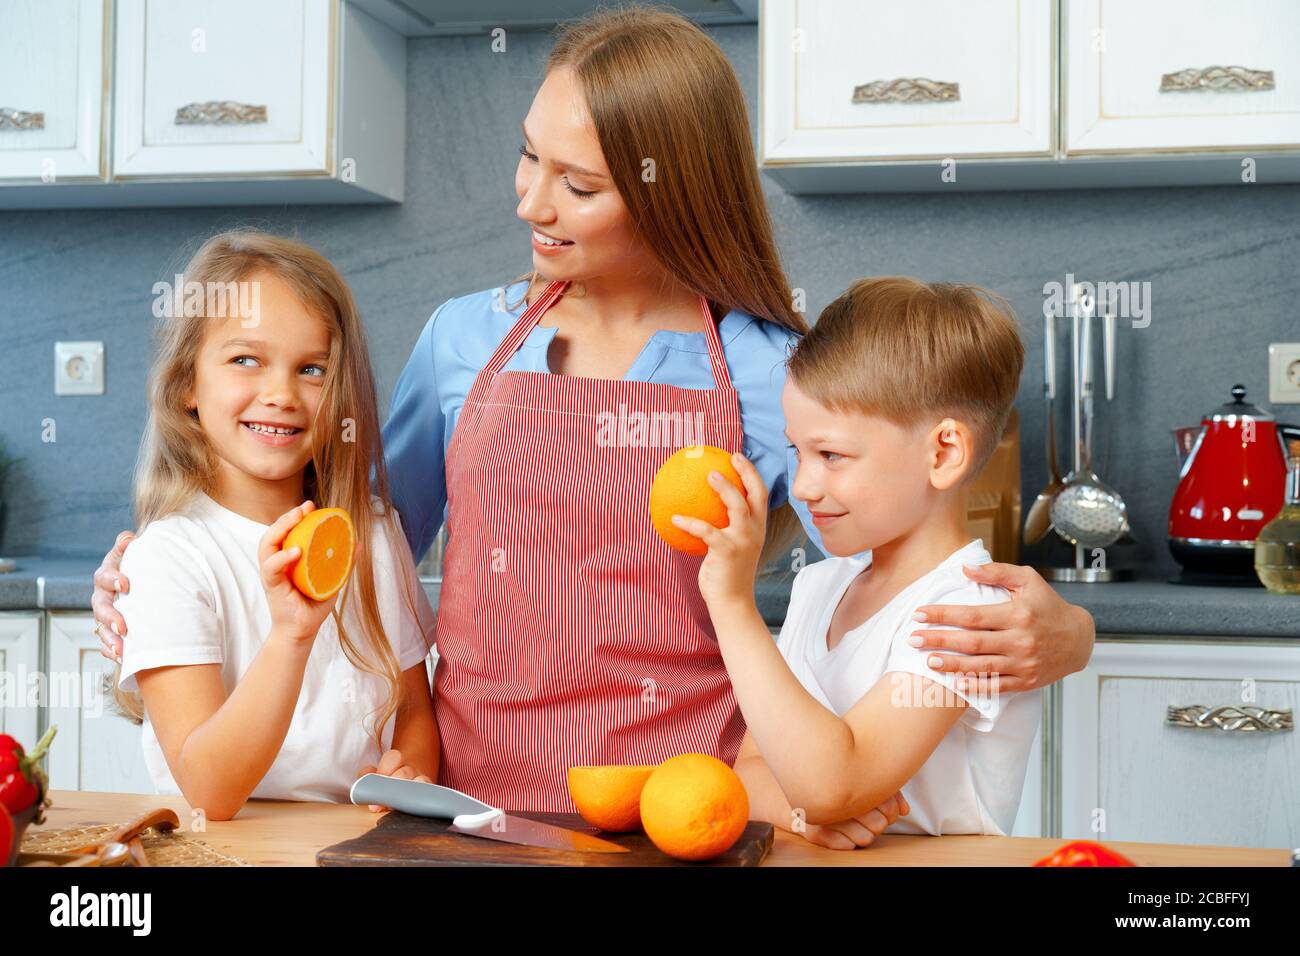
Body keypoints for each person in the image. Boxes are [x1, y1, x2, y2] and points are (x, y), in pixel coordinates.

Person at [91, 8, 1093, 842]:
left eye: (578, 184)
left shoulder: (761, 364)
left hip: (694, 810)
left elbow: (900, 519)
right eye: (530, 156)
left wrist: (1067, 627)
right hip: (466, 801)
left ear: (674, 191)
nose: (530, 199)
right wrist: (160, 610)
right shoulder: (461, 341)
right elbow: (337, 540)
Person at [679, 278, 1039, 845]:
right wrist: (800, 810)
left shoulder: (967, 612)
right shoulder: (819, 586)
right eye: (798, 451)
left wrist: (730, 604)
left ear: (943, 453)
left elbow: (830, 783)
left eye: (832, 455)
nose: (802, 485)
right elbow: (747, 772)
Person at [109, 231, 438, 820]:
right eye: (245, 360)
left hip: (354, 847)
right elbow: (211, 792)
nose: (282, 394)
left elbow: (415, 710)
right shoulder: (167, 559)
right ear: (187, 382)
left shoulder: (376, 536)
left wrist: (408, 771)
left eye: (312, 369)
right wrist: (290, 636)